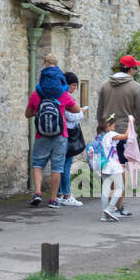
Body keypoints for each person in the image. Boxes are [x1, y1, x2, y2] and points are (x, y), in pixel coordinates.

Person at [25, 55, 81, 208]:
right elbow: (76, 110)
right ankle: (53, 199)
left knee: (37, 164)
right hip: (60, 135)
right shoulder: (63, 95)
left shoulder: (37, 94)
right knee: (57, 167)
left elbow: (27, 114)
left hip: (41, 134)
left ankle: (37, 193)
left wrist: (39, 110)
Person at [97, 54, 140, 216]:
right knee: (121, 169)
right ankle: (117, 206)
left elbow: (100, 110)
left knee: (108, 169)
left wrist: (100, 129)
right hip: (124, 134)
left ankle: (109, 204)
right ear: (131, 69)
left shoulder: (105, 85)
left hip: (106, 133)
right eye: (135, 68)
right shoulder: (135, 88)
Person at [58, 71, 87, 207]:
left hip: (60, 133)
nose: (74, 88)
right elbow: (71, 117)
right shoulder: (66, 97)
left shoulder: (58, 95)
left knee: (60, 165)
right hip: (68, 133)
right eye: (73, 85)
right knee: (66, 164)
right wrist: (81, 113)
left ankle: (59, 194)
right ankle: (67, 194)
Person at [97, 114, 130, 222]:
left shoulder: (100, 136)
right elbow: (125, 136)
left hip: (104, 166)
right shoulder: (111, 134)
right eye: (113, 126)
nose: (114, 128)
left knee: (105, 191)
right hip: (113, 166)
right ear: (108, 125)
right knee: (120, 188)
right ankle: (110, 209)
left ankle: (103, 215)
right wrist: (130, 123)